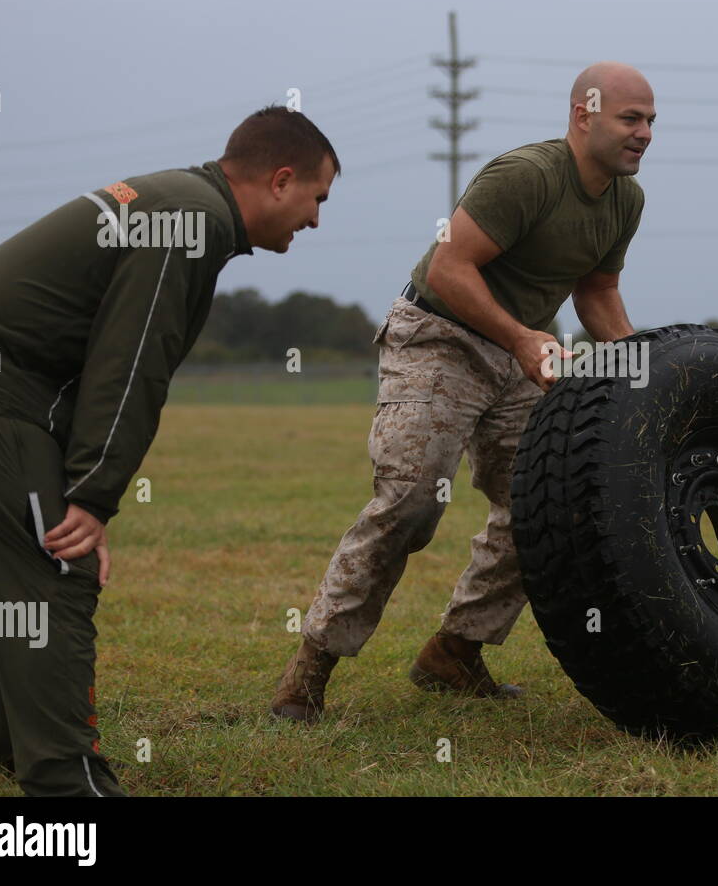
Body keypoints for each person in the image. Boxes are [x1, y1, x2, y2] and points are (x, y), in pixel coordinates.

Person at [0, 105, 339, 795]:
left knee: (5, 579)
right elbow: (130, 362)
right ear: (281, 180)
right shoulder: (190, 222)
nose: (315, 220)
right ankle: (69, 784)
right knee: (53, 572)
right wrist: (92, 494)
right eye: (317, 199)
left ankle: (17, 749)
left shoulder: (181, 201)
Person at [271, 61, 653, 722]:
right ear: (583, 115)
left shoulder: (626, 201)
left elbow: (597, 293)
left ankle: (455, 650)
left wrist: (643, 365)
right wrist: (520, 338)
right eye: (631, 118)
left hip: (519, 352)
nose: (644, 133)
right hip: (440, 336)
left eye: (650, 121)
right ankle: (308, 672)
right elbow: (450, 268)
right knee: (414, 498)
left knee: (547, 501)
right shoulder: (526, 176)